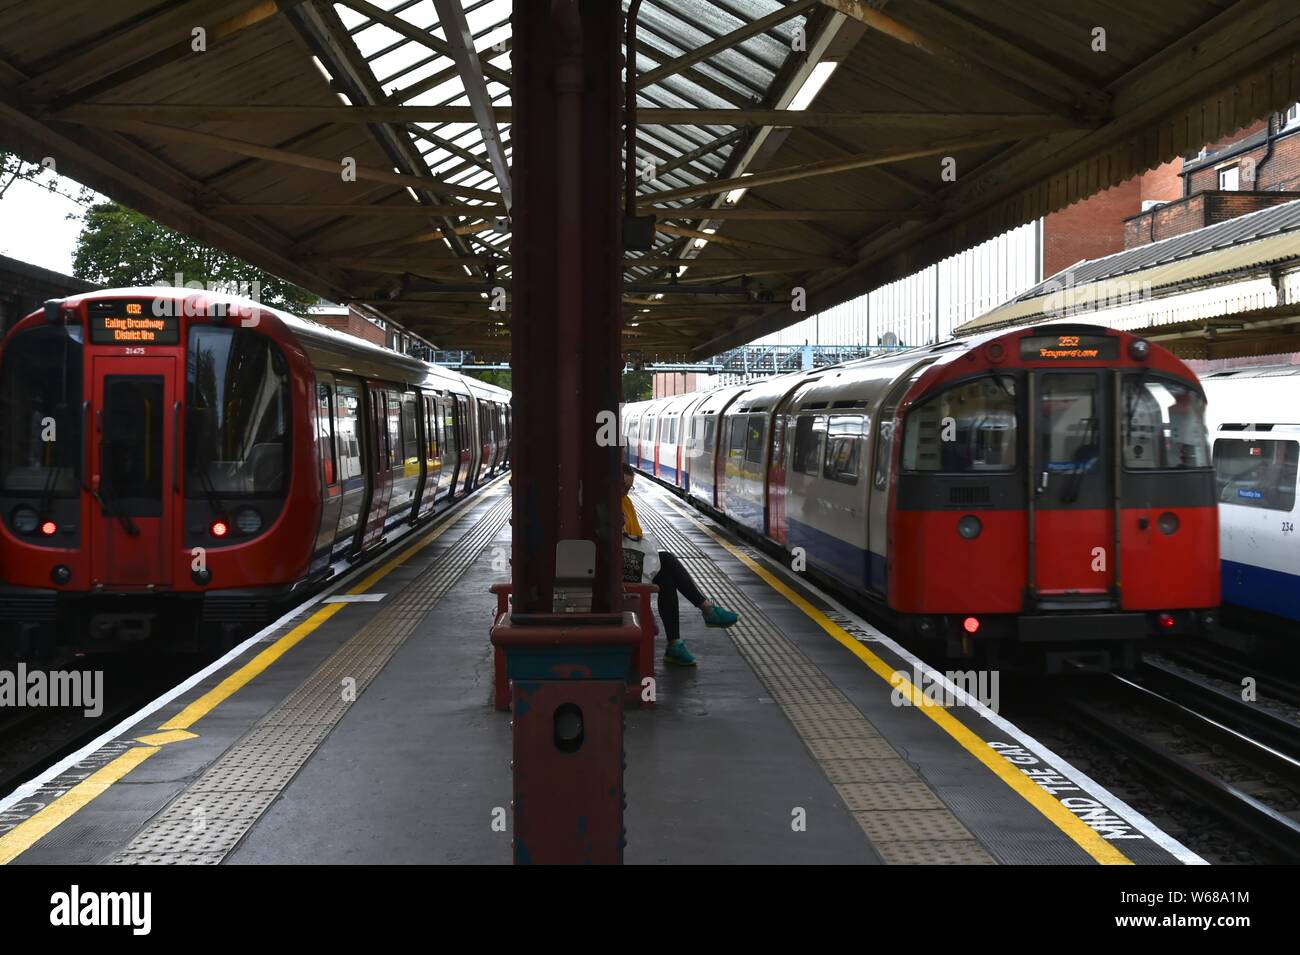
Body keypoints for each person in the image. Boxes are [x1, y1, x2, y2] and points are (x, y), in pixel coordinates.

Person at [622, 463, 738, 666]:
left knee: (666, 579)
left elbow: (636, 537)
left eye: (628, 488)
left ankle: (674, 643)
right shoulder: (608, 504)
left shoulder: (626, 503)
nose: (624, 492)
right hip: (619, 568)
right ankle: (706, 609)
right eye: (622, 486)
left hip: (629, 564)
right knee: (666, 559)